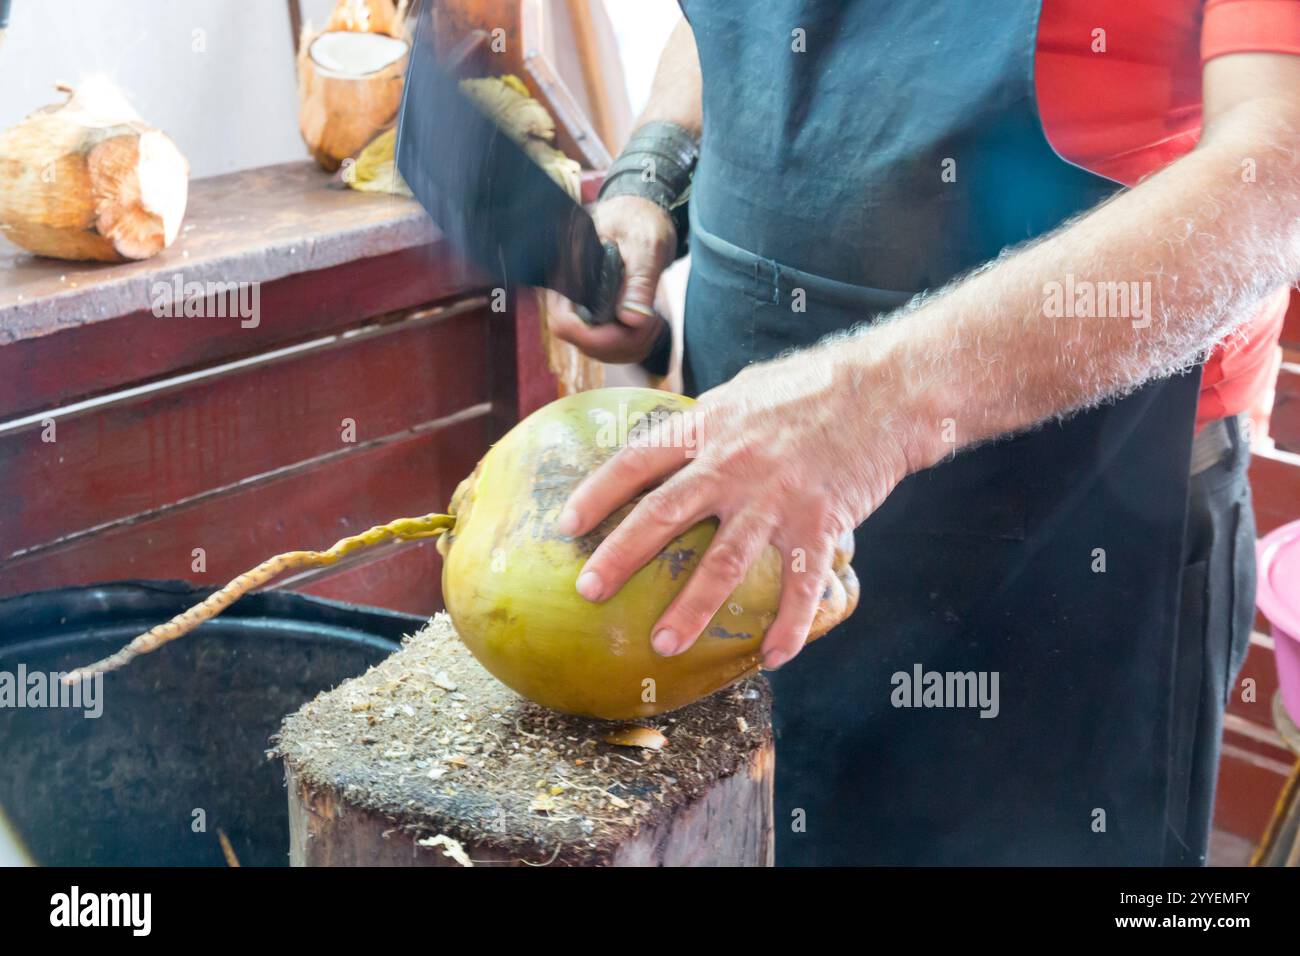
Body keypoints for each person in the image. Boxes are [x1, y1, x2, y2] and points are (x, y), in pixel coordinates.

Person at [546, 0, 1300, 864]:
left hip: (1079, 527)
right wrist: (653, 171)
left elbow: (1277, 179)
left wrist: (864, 410)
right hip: (749, 489)